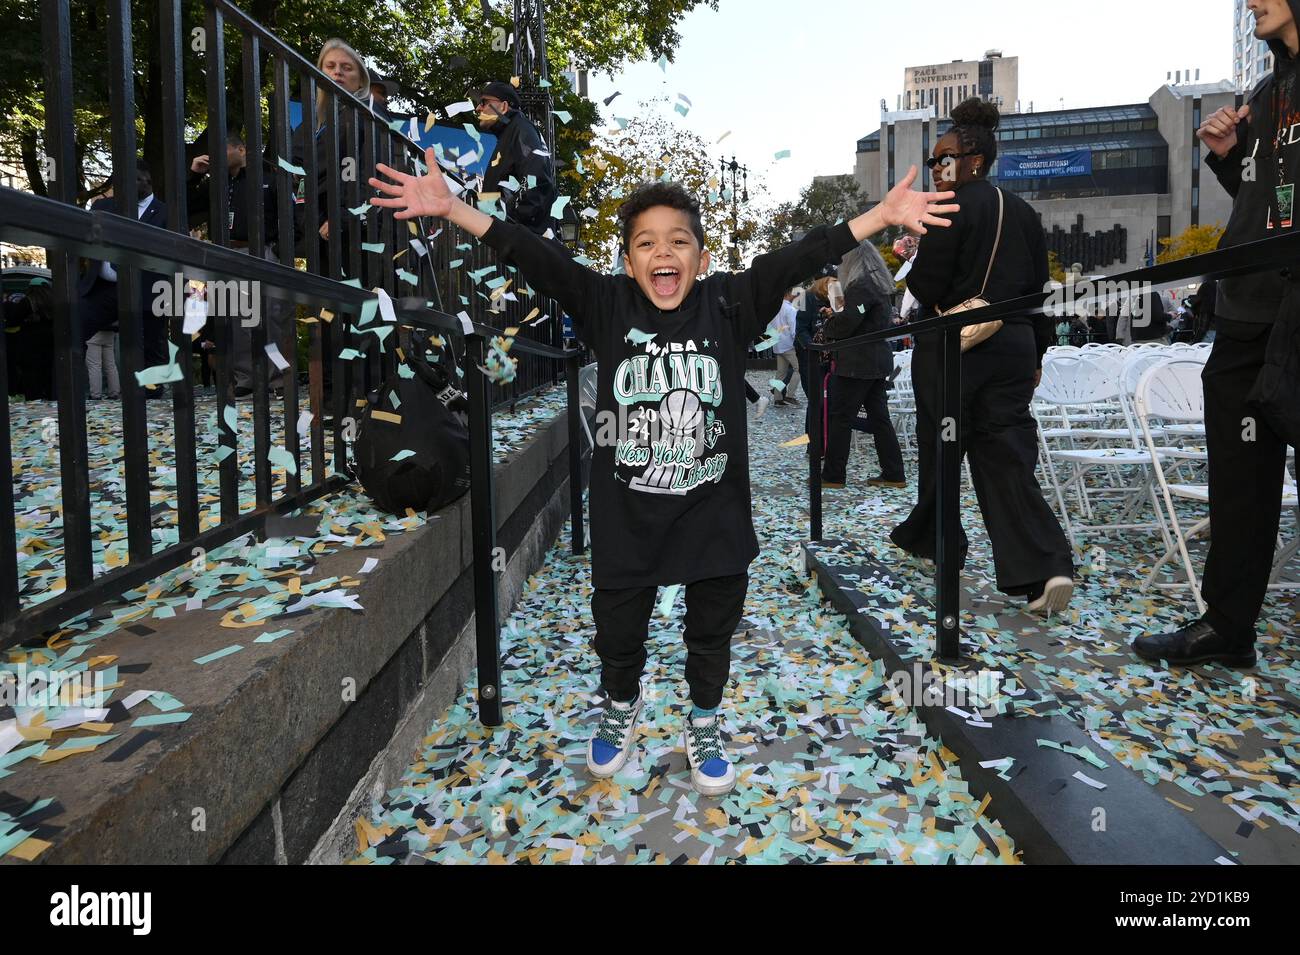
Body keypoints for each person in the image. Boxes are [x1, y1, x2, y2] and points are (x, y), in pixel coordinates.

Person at [369, 154, 957, 795]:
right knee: (617, 630)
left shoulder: (730, 304)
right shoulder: (605, 302)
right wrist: (454, 209)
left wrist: (878, 217)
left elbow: (796, 256)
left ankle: (703, 718)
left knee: (712, 628)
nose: (663, 253)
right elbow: (535, 256)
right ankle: (622, 703)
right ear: (627, 262)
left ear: (701, 258)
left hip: (713, 515)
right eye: (646, 243)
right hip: (630, 516)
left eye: (679, 241)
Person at [1135, 0, 1300, 668]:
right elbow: (1266, 196)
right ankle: (1227, 625)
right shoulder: (1264, 92)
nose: (1252, 3)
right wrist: (1230, 157)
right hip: (1245, 309)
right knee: (1239, 479)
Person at [890, 98, 1075, 616]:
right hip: (1014, 346)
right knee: (1006, 455)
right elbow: (1041, 291)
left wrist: (914, 254)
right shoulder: (1025, 212)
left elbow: (928, 287)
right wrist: (1037, 351)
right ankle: (1044, 566)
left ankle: (941, 542)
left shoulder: (948, 207)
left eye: (941, 158)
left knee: (943, 449)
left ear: (971, 159)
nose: (935, 168)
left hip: (955, 345)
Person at [188, 128, 292, 399]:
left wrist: (278, 250)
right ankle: (246, 377)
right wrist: (194, 175)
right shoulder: (216, 184)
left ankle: (276, 379)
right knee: (237, 319)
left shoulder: (268, 179)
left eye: (222, 150)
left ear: (241, 149)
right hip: (228, 252)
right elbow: (185, 206)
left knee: (270, 316)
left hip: (262, 251)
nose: (216, 156)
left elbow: (290, 215)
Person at [77, 161, 169, 396]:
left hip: (147, 289)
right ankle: (68, 392)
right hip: (105, 288)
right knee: (73, 327)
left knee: (152, 346)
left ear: (146, 181)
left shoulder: (165, 212)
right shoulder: (104, 206)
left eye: (131, 179)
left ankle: (152, 398)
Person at [820, 241, 906, 490]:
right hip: (877, 361)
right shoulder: (879, 286)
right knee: (880, 419)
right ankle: (894, 472)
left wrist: (829, 326)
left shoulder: (861, 286)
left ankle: (833, 475)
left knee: (841, 418)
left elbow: (848, 323)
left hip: (857, 363)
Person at [472, 81, 559, 235]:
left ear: (503, 107)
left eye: (484, 102)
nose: (478, 108)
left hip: (522, 241)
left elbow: (536, 181)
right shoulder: (513, 132)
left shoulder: (521, 130)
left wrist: (509, 222)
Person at [767, 290, 800, 405]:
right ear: (788, 294)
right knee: (798, 369)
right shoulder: (790, 309)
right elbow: (793, 329)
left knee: (781, 373)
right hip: (789, 344)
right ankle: (790, 395)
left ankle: (778, 398)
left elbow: (769, 326)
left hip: (777, 343)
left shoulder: (775, 309)